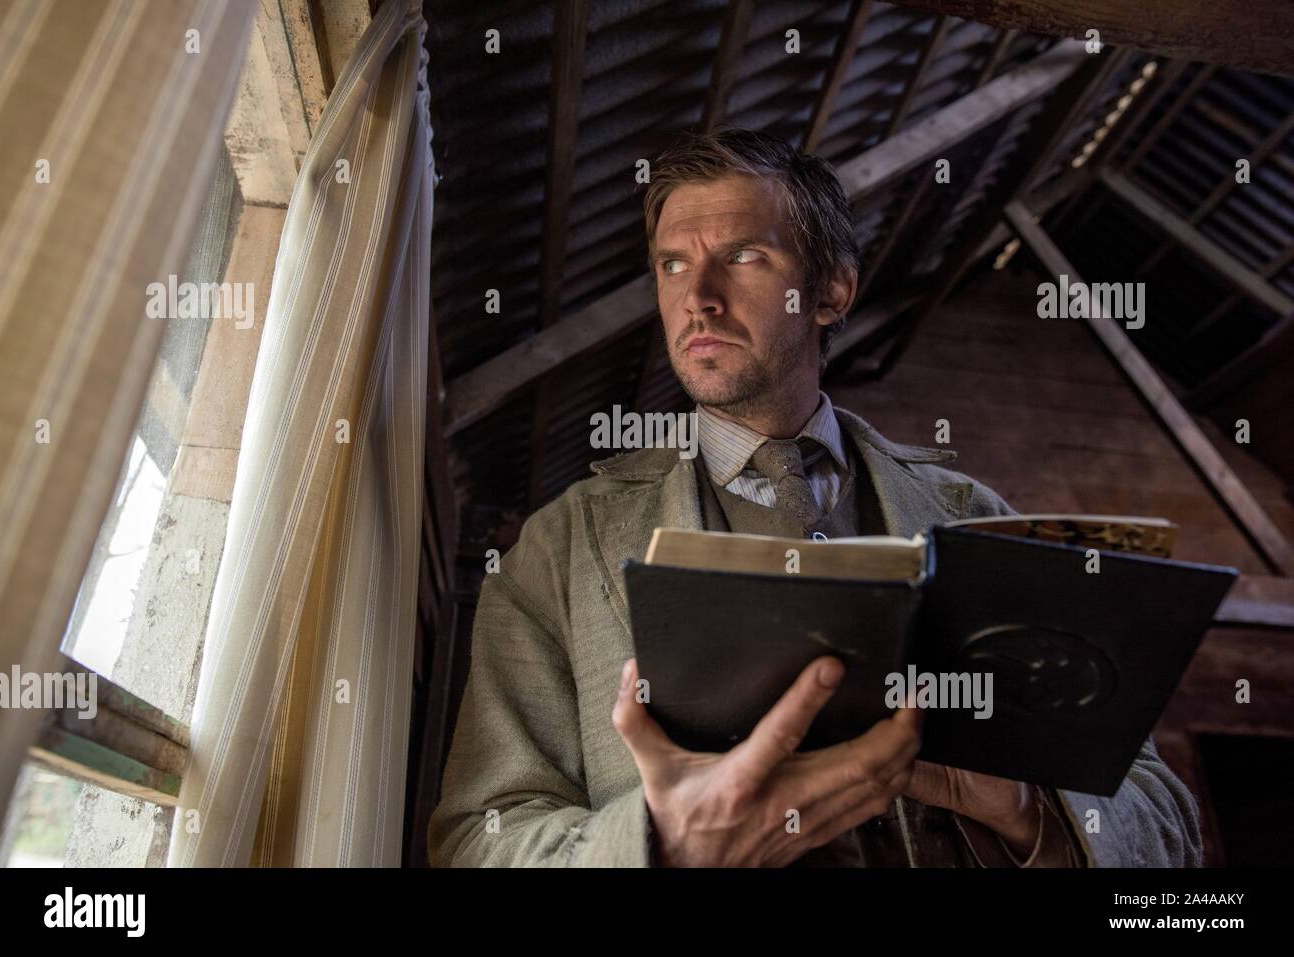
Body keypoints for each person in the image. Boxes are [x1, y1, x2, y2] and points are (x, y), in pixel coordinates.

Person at [427, 127, 1203, 867]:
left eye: (741, 256)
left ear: (830, 291)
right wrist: (663, 845)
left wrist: (1030, 809)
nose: (697, 298)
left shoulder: (977, 515)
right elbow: (479, 836)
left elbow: (1164, 816)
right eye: (670, 265)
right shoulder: (559, 545)